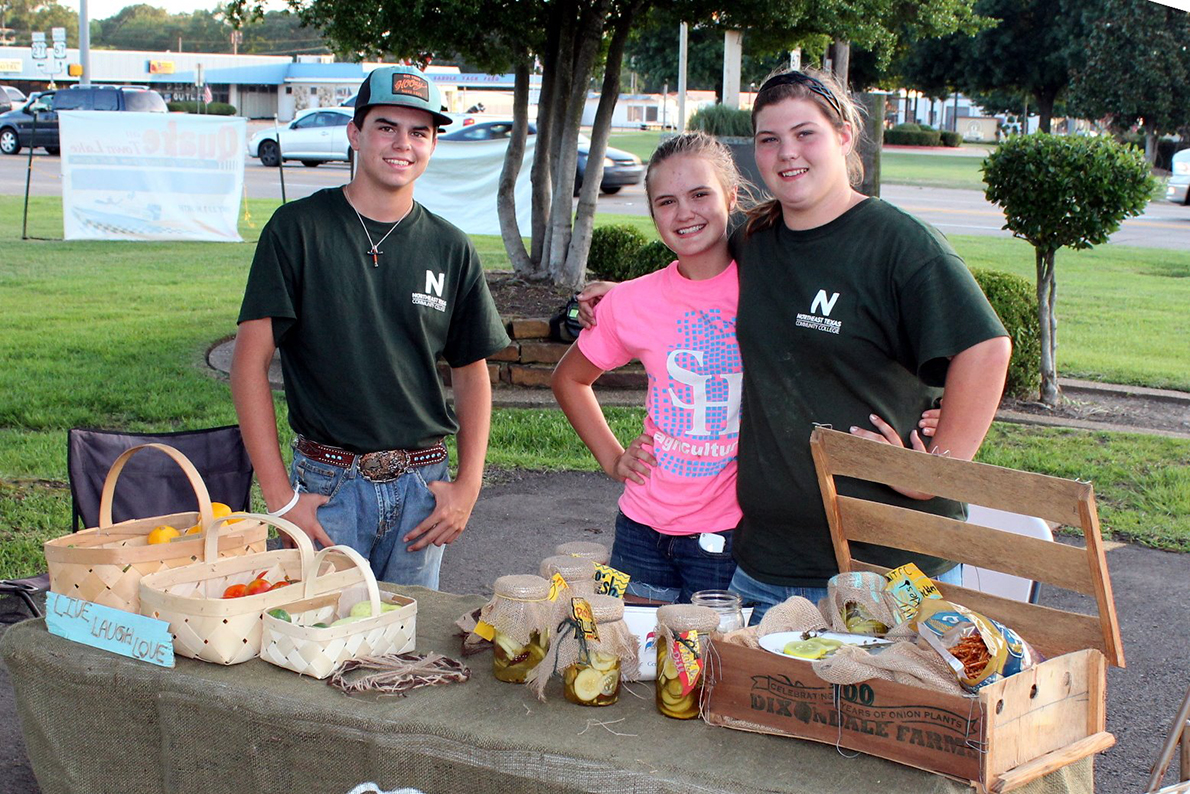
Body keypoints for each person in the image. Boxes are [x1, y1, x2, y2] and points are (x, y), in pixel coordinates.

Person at [581, 70, 1010, 621]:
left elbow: (987, 348)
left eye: (805, 134)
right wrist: (623, 296)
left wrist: (934, 475)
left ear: (843, 138)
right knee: (751, 706)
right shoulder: (754, 240)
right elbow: (696, 266)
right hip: (767, 568)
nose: (788, 153)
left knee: (886, 702)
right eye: (768, 139)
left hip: (892, 566)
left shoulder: (897, 243)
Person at [230, 65, 510, 589]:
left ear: (432, 144)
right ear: (355, 133)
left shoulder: (450, 247)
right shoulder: (297, 230)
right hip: (327, 488)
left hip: (421, 491)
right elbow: (249, 364)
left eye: (419, 132)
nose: (403, 143)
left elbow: (472, 372)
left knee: (402, 652)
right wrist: (280, 498)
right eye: (386, 126)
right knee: (310, 645)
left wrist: (468, 485)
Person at [552, 133, 744, 604]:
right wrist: (613, 457)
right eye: (666, 201)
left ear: (731, 197)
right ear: (654, 213)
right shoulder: (631, 301)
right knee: (630, 658)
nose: (685, 213)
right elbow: (569, 378)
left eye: (700, 194)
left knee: (706, 669)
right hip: (640, 528)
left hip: (730, 534)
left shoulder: (767, 288)